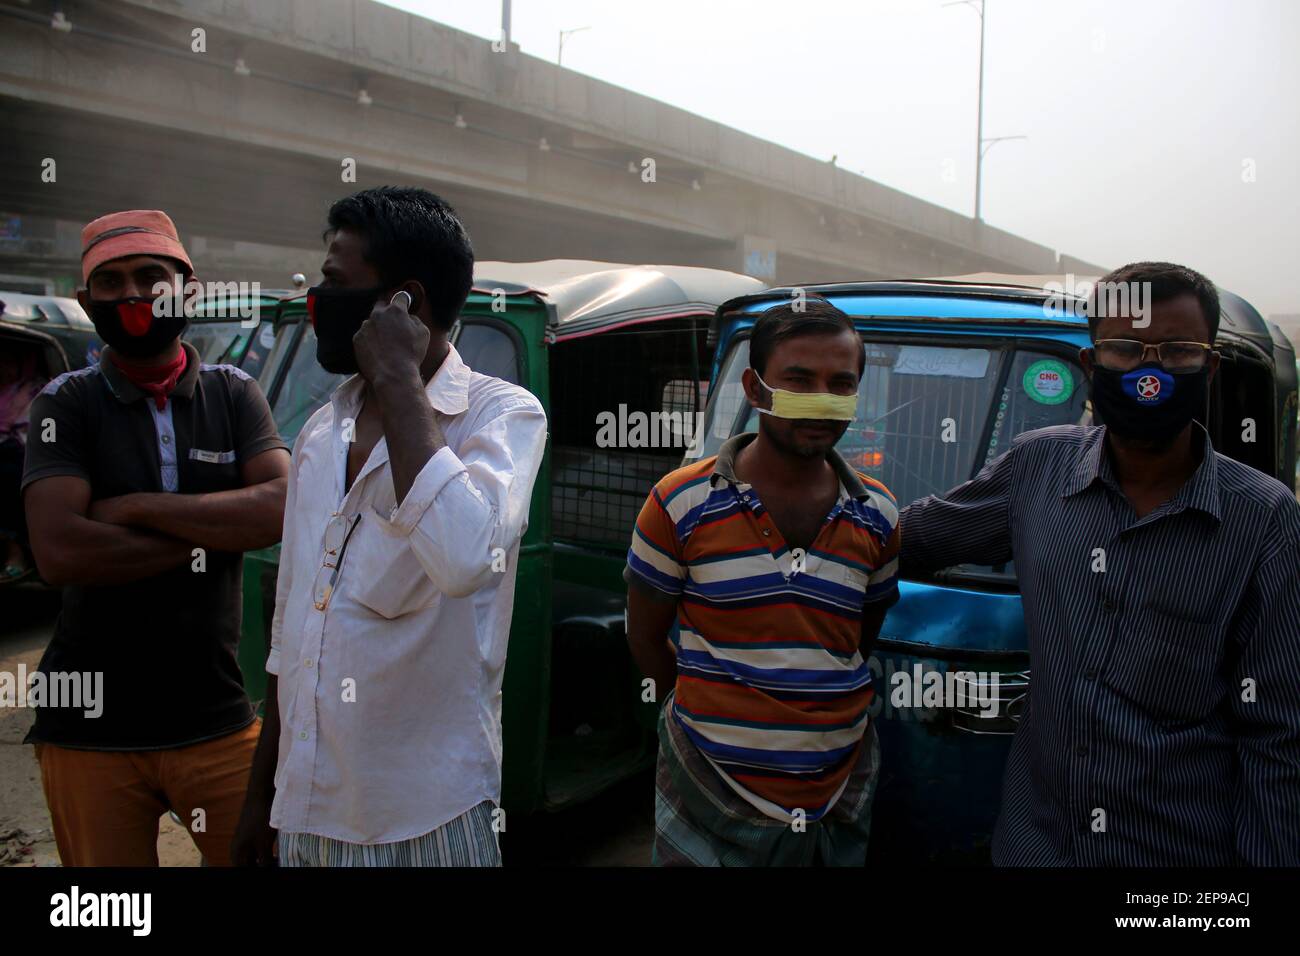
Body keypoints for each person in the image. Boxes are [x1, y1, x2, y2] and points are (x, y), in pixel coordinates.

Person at [900, 261, 1300, 865]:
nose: (1151, 373)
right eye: (1125, 350)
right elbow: (908, 537)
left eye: (1177, 352)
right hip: (1035, 849)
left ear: (1209, 369)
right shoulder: (1036, 469)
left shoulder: (1266, 519)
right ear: (1090, 366)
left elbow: (1278, 738)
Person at [232, 186, 547, 868]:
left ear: (403, 303)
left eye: (335, 283)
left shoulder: (503, 418)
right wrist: (265, 801)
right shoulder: (320, 432)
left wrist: (401, 376)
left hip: (427, 820)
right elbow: (295, 636)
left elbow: (464, 555)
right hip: (309, 814)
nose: (319, 301)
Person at [21, 209, 290, 866]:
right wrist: (218, 533)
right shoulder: (65, 403)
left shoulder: (235, 395)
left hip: (216, 716)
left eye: (150, 275)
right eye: (110, 283)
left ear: (188, 289)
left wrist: (133, 507)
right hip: (87, 728)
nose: (133, 296)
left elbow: (283, 508)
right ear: (87, 303)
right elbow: (60, 553)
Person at [625, 298, 900, 866]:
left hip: (838, 789)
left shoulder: (880, 513)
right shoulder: (678, 502)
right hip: (707, 783)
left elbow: (853, 642)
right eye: (798, 380)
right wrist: (715, 702)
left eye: (839, 383)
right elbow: (646, 638)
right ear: (754, 389)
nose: (820, 401)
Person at [0, 341, 46, 581]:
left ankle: (17, 552)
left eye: (8, 360)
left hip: (23, 457)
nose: (3, 367)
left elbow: (30, 435)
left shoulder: (35, 391)